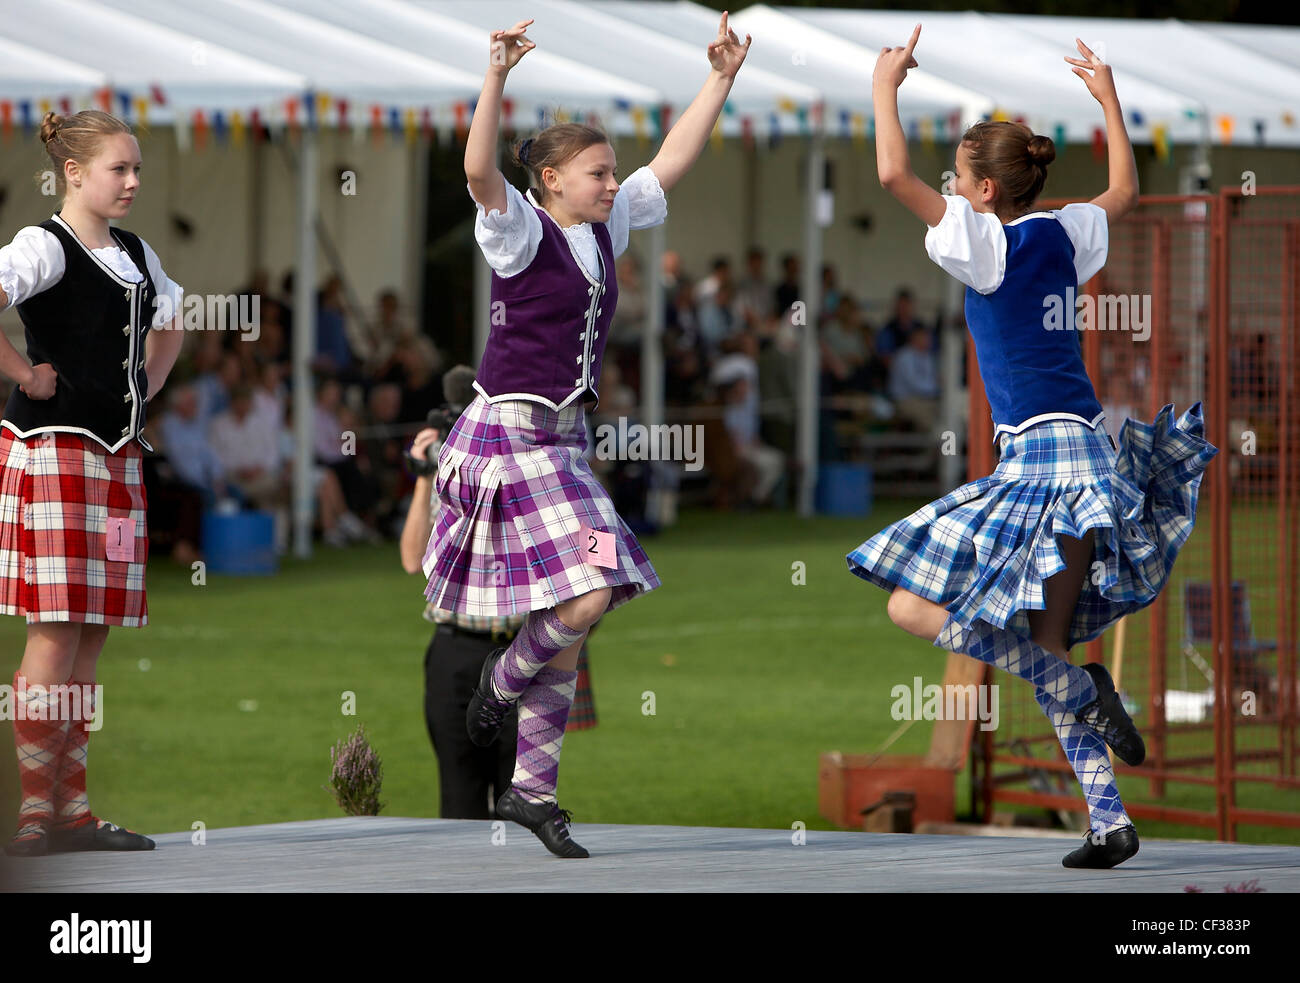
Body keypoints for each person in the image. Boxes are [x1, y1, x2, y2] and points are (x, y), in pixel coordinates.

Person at [847, 28, 1217, 870]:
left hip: (1038, 462)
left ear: (982, 189)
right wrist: (1109, 101)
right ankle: (1108, 820)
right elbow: (1123, 187)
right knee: (1048, 644)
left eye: (960, 178)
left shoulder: (984, 244)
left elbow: (890, 177)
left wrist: (884, 86)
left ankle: (1080, 690)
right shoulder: (1063, 233)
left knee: (910, 603)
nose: (950, 187)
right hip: (1092, 460)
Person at [427, 14, 749, 858]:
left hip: (564, 443)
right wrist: (494, 73)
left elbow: (672, 158)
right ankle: (500, 680)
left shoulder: (610, 225)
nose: (613, 182)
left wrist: (719, 77)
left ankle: (533, 794)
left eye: (612, 171)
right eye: (597, 172)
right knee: (589, 593)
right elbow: (474, 168)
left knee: (575, 616)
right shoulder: (519, 231)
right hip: (508, 439)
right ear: (550, 180)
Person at [0, 110, 185, 855]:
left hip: (118, 458)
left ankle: (71, 809)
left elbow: (173, 316)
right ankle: (34, 814)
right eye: (120, 169)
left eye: (137, 168)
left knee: (89, 641)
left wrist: (148, 382)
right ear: (74, 173)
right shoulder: (44, 243)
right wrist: (21, 371)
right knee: (52, 635)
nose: (134, 181)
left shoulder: (138, 254)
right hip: (54, 452)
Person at [402, 368, 598, 819]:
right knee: (459, 798)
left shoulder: (545, 476)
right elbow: (413, 560)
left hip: (522, 647)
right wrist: (423, 474)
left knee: (519, 789)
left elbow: (592, 558)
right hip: (456, 649)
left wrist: (585, 604)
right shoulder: (457, 473)